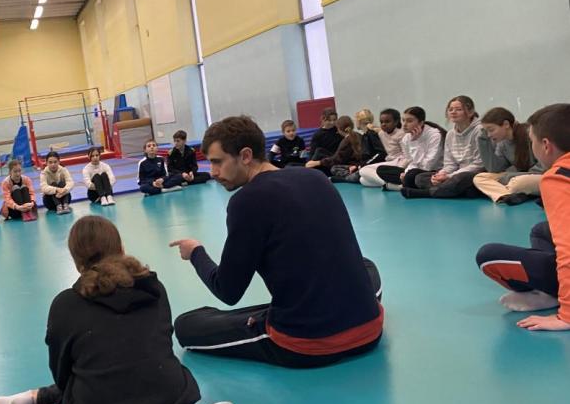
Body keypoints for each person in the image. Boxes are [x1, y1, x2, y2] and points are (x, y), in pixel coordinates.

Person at [0, 216, 237, 404]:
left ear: (77, 263)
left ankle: (36, 398)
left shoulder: (65, 304)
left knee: (73, 395)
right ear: (121, 247)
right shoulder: (154, 287)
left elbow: (63, 377)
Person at [169, 116, 383, 367]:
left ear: (245, 155)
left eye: (218, 162)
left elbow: (228, 291)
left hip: (308, 343)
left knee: (186, 325)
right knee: (364, 264)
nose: (213, 172)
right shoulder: (313, 178)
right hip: (369, 327)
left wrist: (196, 253)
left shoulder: (246, 201)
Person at [475, 104, 570, 331]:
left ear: (546, 145)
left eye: (532, 142)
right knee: (541, 230)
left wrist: (566, 316)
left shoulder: (557, 178)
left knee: (488, 256)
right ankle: (550, 288)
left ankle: (553, 293)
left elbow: (568, 248)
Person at [402, 95, 484, 199]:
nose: (453, 112)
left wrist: (449, 176)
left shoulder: (479, 131)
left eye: (458, 109)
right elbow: (449, 164)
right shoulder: (450, 134)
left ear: (470, 112)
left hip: (473, 174)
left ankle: (427, 193)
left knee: (462, 178)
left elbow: (479, 165)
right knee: (419, 177)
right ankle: (456, 191)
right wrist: (440, 175)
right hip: (454, 175)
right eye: (450, 109)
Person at [473, 107, 544, 205]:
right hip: (516, 177)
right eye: (486, 131)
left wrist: (511, 176)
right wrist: (483, 141)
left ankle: (514, 191)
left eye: (491, 130)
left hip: (538, 176)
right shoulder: (502, 144)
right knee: (479, 177)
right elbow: (495, 169)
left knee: (517, 183)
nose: (489, 135)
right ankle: (506, 195)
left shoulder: (529, 135)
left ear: (506, 124)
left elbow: (542, 168)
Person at [372, 106, 445, 191]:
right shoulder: (407, 137)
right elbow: (410, 160)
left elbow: (428, 165)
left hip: (432, 172)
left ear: (421, 123)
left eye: (409, 121)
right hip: (414, 171)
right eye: (403, 120)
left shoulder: (434, 135)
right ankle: (405, 184)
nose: (404, 124)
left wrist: (416, 142)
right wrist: (405, 172)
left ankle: (397, 186)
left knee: (413, 175)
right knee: (382, 169)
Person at [359, 109, 407, 188]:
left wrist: (399, 169)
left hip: (399, 163)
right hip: (389, 162)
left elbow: (407, 156)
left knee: (363, 170)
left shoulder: (402, 134)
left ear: (396, 122)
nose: (384, 124)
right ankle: (392, 185)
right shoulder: (381, 133)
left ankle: (393, 185)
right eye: (381, 122)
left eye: (387, 122)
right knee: (363, 180)